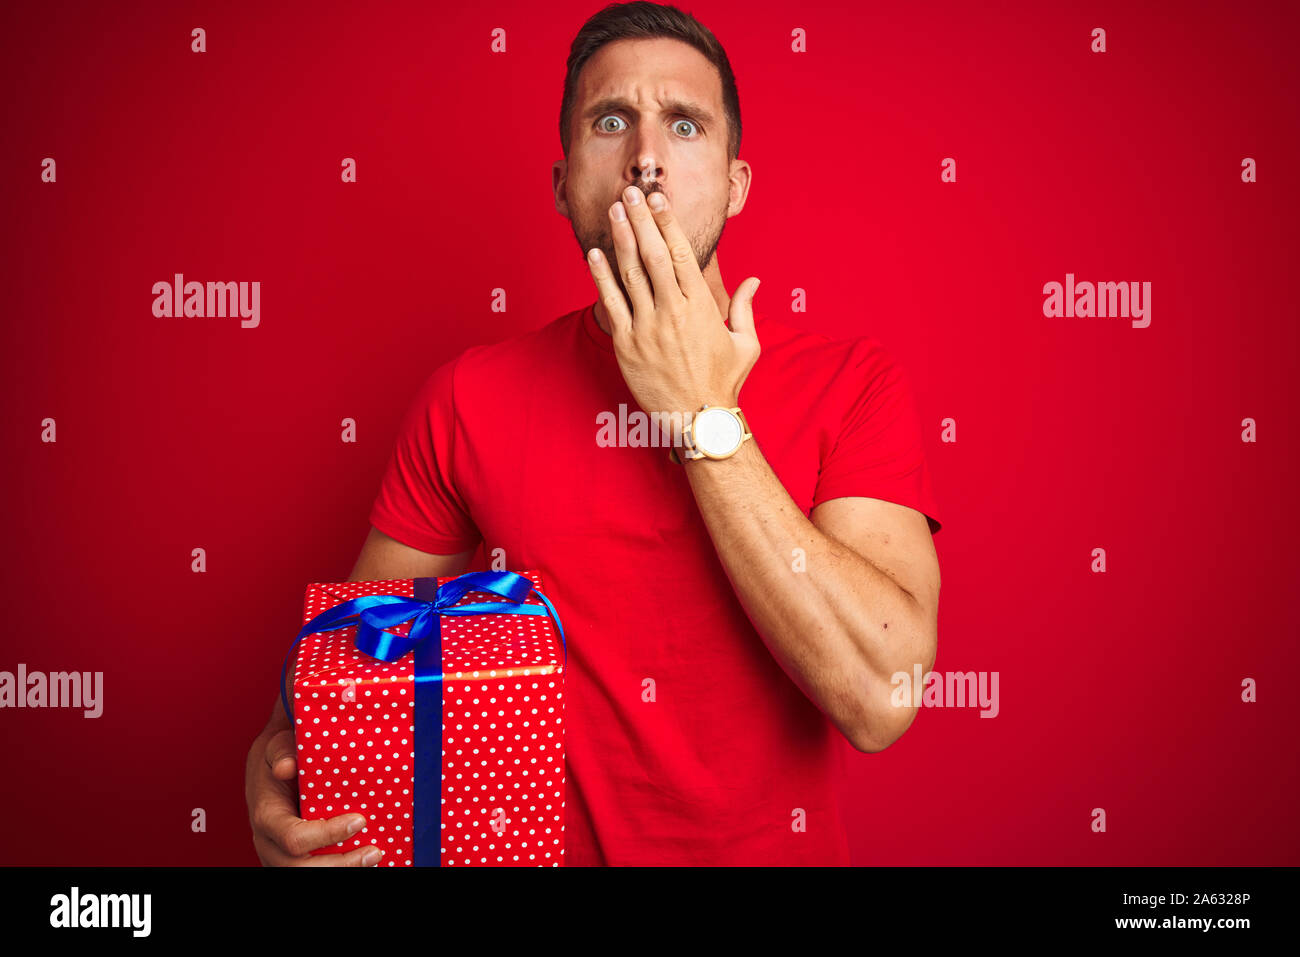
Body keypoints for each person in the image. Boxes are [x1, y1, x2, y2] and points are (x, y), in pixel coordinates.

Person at [246, 0, 942, 866]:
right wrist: (269, 773)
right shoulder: (468, 397)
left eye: (684, 125)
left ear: (735, 181)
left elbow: (882, 695)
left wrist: (701, 415)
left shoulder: (854, 384)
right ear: (565, 179)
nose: (645, 158)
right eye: (611, 121)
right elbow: (341, 672)